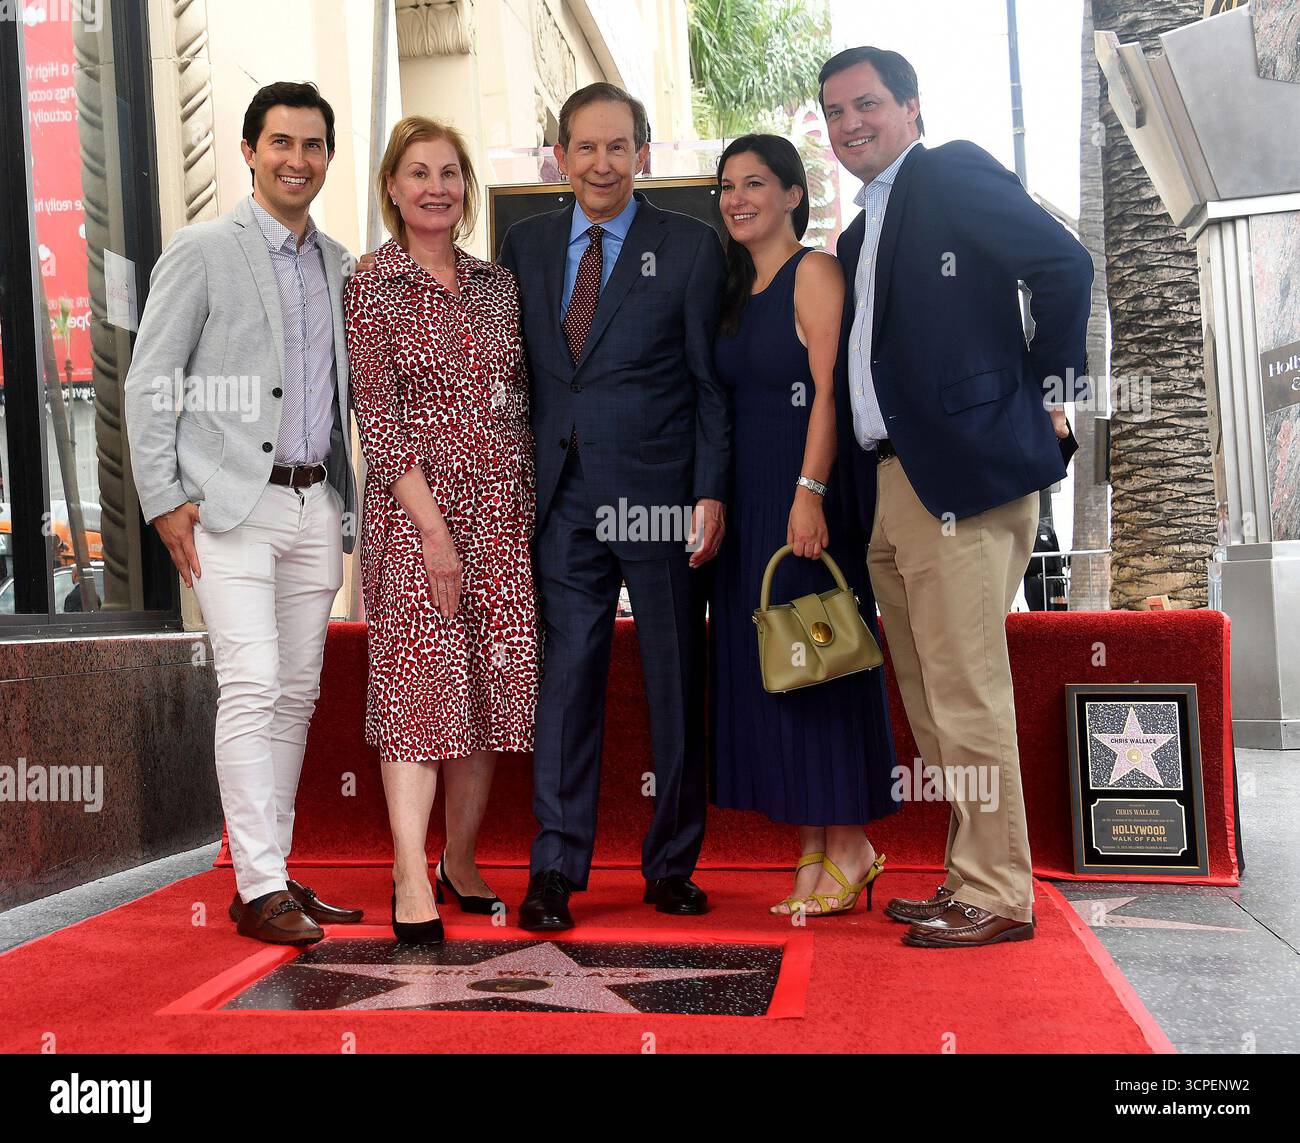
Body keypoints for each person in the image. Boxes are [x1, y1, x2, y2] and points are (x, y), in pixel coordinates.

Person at [820, 46, 1092, 948]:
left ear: (911, 106)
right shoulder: (858, 235)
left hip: (965, 477)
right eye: (835, 112)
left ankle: (999, 893)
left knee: (967, 692)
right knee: (932, 700)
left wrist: (1052, 392)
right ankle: (966, 876)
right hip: (892, 482)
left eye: (867, 104)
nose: (851, 123)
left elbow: (1062, 264)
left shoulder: (952, 173)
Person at [123, 82, 363, 945]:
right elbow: (151, 382)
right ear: (249, 150)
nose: (297, 159)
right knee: (253, 684)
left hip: (315, 506)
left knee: (296, 695)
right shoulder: (200, 249)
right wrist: (163, 501)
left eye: (313, 145)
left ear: (328, 157)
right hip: (225, 509)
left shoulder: (342, 263)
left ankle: (276, 873)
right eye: (281, 142)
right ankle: (256, 880)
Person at [498, 82, 730, 931]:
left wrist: (711, 492)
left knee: (674, 679)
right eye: (585, 147)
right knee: (567, 683)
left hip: (663, 501)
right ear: (560, 156)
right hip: (558, 502)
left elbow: (710, 386)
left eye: (618, 146)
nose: (602, 163)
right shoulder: (522, 245)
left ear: (644, 152)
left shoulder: (693, 247)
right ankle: (555, 868)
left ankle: (672, 864)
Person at [345, 117, 538, 944]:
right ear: (391, 185)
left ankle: (459, 858)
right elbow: (379, 422)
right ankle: (407, 873)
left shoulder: (498, 284)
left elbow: (525, 401)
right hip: (417, 516)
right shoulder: (370, 284)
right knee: (420, 695)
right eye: (417, 172)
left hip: (502, 518)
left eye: (450, 172)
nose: (436, 186)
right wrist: (432, 530)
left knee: (487, 696)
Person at [709, 135, 898, 917]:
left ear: (793, 194)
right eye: (726, 185)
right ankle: (814, 850)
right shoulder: (733, 286)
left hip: (802, 497)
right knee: (779, 672)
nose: (737, 198)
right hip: (748, 502)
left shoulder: (813, 271)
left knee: (818, 665)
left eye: (755, 183)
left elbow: (828, 392)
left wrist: (810, 491)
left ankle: (852, 842)